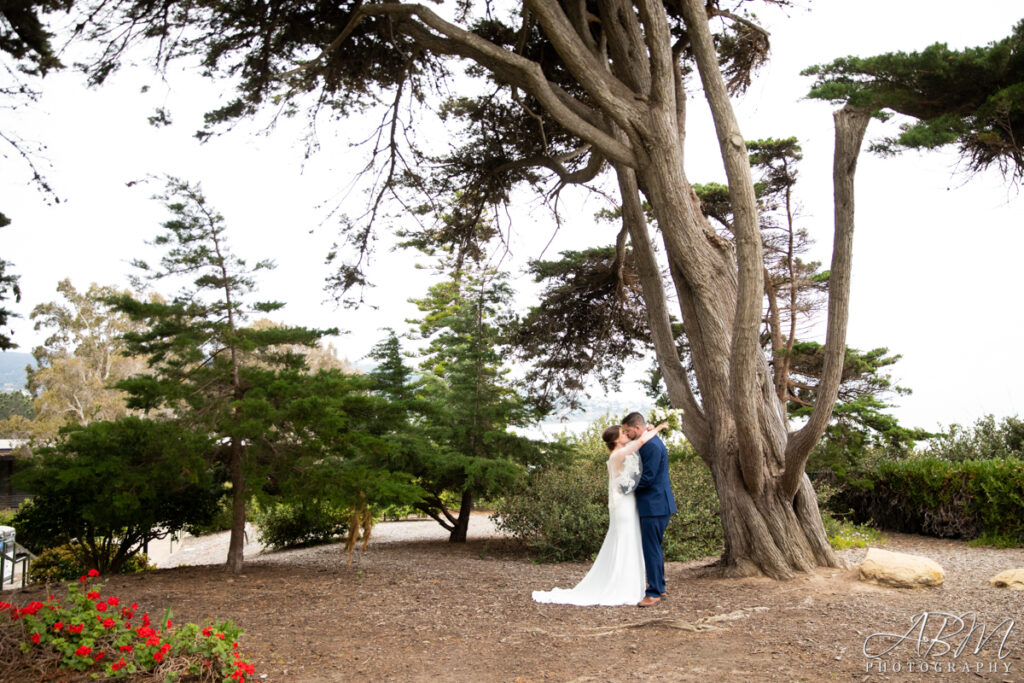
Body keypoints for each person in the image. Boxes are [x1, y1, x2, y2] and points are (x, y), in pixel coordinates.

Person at [532, 421, 668, 606]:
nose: (626, 433)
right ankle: (623, 585)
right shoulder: (617, 455)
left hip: (630, 502)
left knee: (632, 541)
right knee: (625, 540)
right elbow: (640, 442)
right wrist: (659, 428)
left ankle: (642, 586)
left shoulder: (623, 449)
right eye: (622, 432)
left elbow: (638, 442)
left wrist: (648, 428)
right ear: (615, 439)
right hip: (624, 505)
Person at [621, 411, 676, 607]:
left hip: (655, 505)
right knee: (655, 548)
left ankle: (653, 592)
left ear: (637, 428)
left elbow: (648, 478)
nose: (627, 435)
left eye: (629, 431)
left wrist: (625, 487)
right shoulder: (650, 440)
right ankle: (659, 588)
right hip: (657, 504)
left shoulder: (651, 446)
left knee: (651, 548)